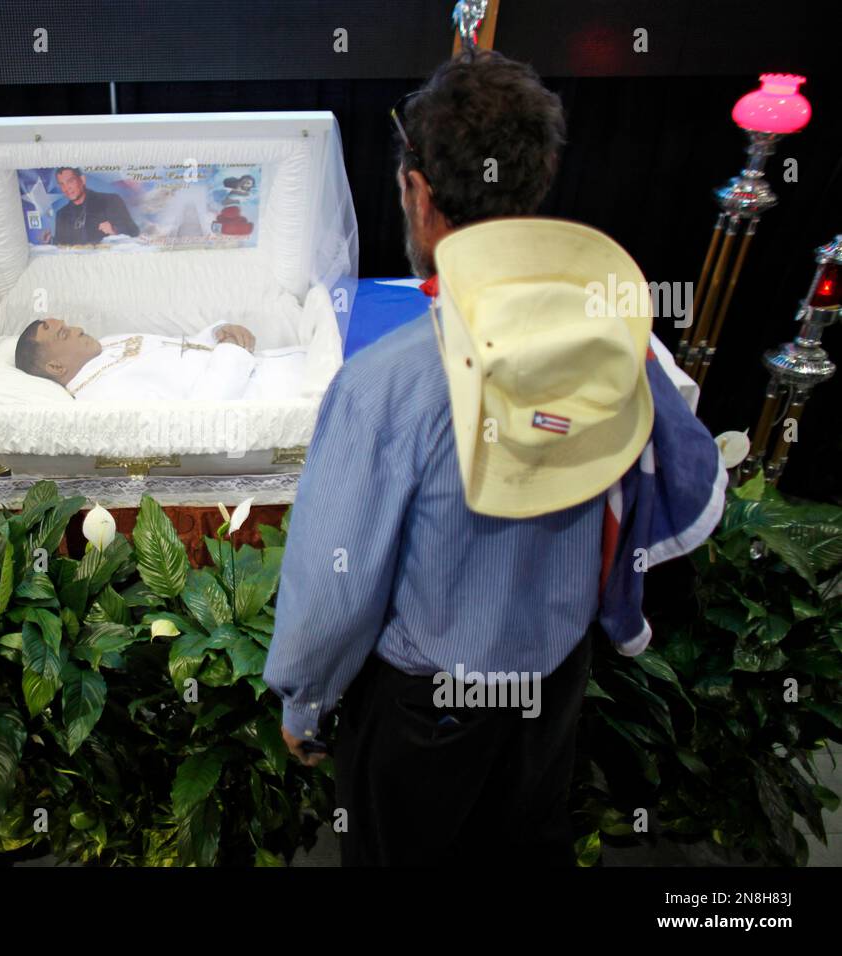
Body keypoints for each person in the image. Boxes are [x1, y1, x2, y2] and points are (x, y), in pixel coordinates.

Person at [261, 50, 722, 866]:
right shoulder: (613, 338)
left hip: (429, 713)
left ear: (417, 193)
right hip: (552, 690)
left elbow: (335, 590)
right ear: (536, 185)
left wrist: (305, 703)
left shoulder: (385, 387)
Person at [14, 317, 307, 401]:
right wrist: (232, 352)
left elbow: (184, 349)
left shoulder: (106, 344)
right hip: (277, 395)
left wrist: (219, 333)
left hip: (281, 365)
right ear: (56, 367)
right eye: (64, 334)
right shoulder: (103, 398)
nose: (77, 328)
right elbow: (203, 417)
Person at [46, 167, 140, 246]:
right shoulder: (61, 214)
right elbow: (62, 247)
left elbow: (134, 232)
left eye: (70, 181)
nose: (66, 188)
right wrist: (51, 241)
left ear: (82, 180)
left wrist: (114, 230)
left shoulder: (110, 201)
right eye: (62, 184)